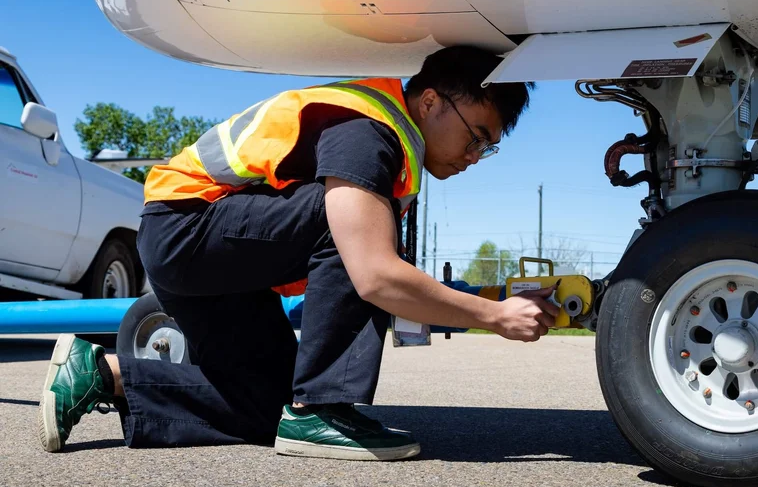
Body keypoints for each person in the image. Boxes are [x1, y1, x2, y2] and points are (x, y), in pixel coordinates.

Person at [39, 46, 558, 460]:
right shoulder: (370, 131)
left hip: (220, 263)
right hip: (186, 230)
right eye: (476, 137)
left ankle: (100, 373)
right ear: (431, 102)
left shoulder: (390, 145)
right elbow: (374, 275)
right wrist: (493, 315)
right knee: (358, 234)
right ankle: (323, 409)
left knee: (268, 410)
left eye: (487, 148)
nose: (474, 156)